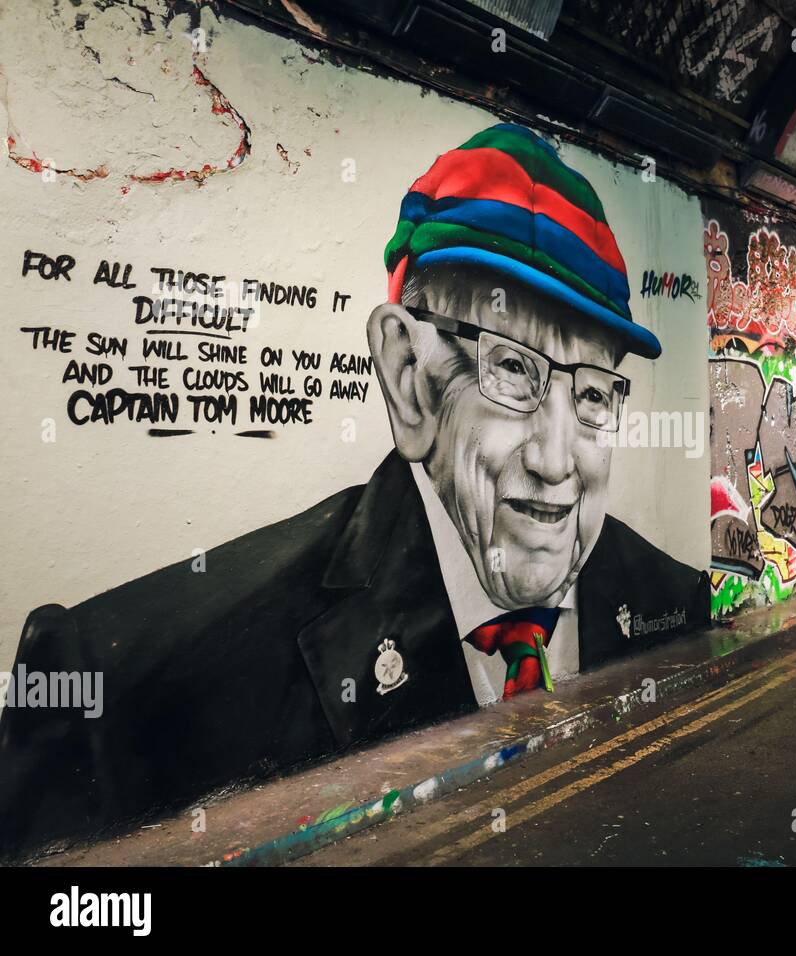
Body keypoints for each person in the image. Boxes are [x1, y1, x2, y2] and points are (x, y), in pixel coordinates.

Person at [0, 123, 710, 857]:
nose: (559, 460)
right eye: (511, 369)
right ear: (407, 378)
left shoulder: (672, 601)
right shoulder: (121, 694)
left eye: (592, 394)